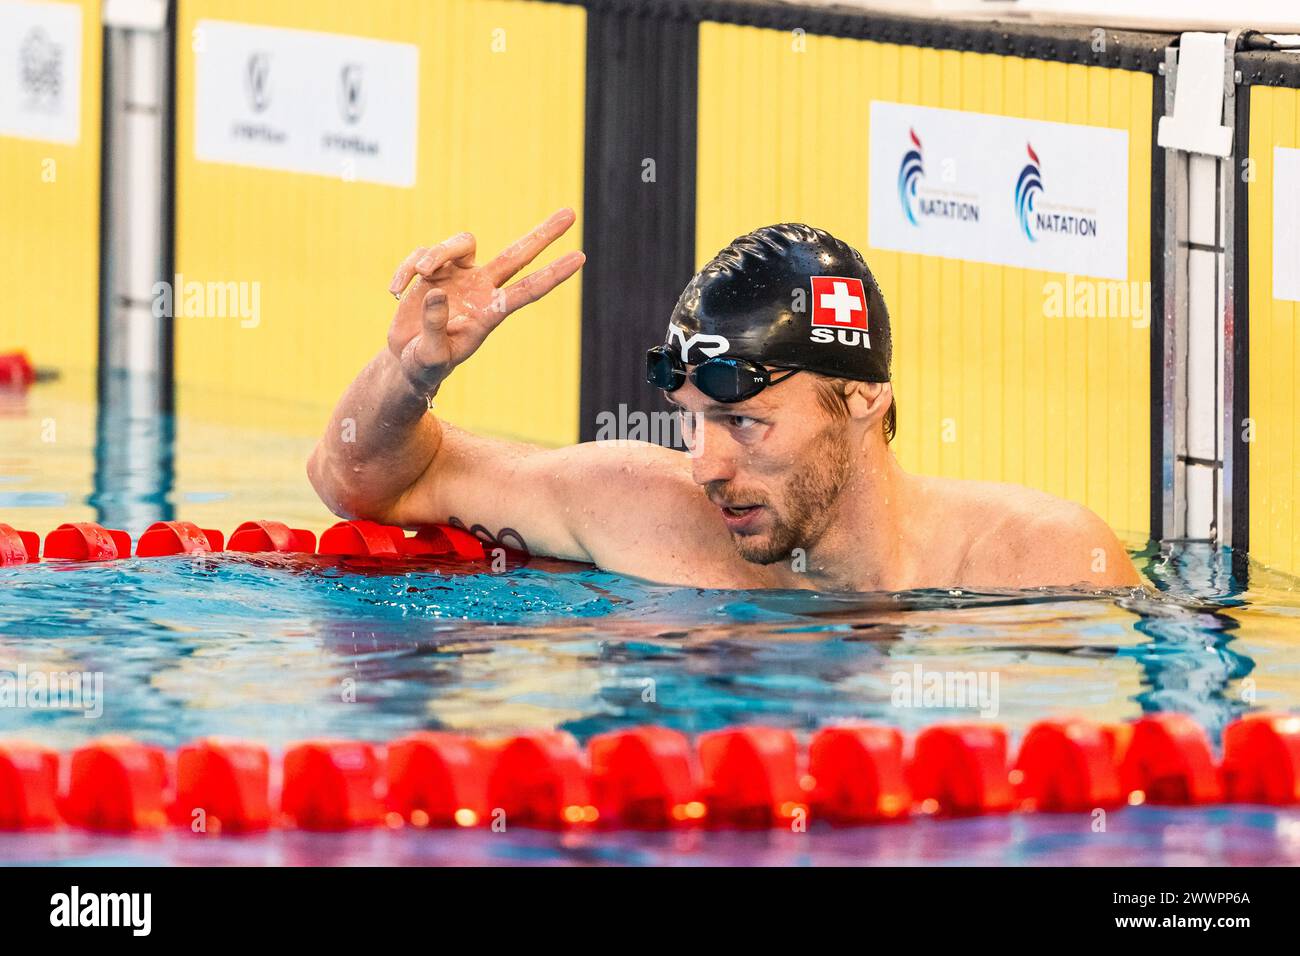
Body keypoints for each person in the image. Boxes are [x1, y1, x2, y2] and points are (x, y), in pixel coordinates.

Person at [308, 208, 1141, 590]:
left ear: (863, 400)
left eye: (744, 422)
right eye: (694, 423)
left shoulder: (1037, 562)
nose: (705, 464)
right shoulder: (639, 508)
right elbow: (367, 484)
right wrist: (412, 370)